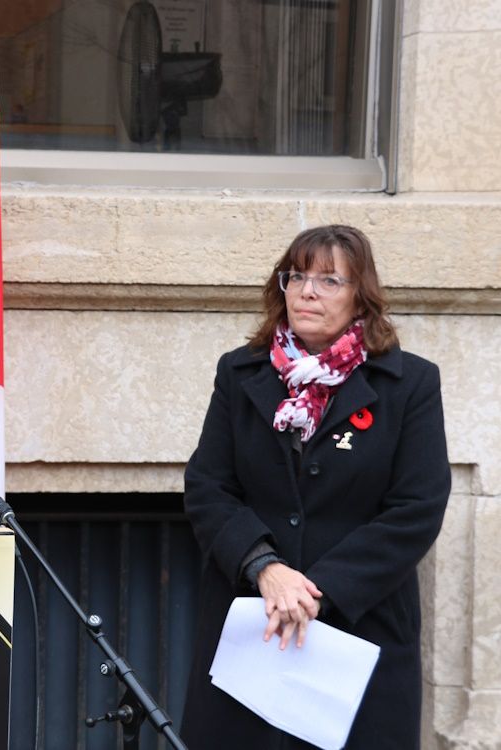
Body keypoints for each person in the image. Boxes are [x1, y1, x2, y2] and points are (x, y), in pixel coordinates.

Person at [181, 225, 450, 748]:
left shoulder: (410, 384)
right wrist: (265, 568)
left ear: (360, 298)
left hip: (359, 627)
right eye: (297, 276)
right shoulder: (240, 374)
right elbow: (208, 486)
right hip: (253, 625)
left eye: (330, 280)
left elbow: (417, 507)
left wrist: (313, 592)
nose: (307, 291)